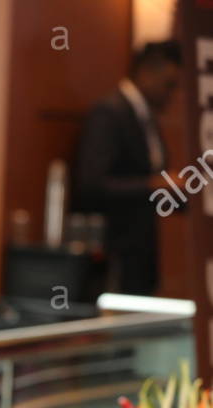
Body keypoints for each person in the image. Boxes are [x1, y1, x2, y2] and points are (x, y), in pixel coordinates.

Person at [73, 40, 182, 296]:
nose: (173, 94)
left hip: (141, 256)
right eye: (170, 85)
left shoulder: (147, 119)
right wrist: (154, 184)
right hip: (112, 257)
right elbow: (91, 185)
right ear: (146, 72)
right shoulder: (110, 113)